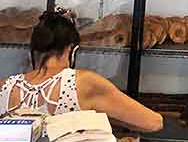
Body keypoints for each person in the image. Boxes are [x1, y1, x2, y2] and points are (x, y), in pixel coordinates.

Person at [0, 7, 162, 131]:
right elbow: (153, 122)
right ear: (73, 50)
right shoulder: (83, 83)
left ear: (32, 49)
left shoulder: (5, 87)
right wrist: (97, 113)